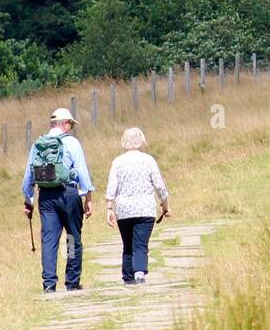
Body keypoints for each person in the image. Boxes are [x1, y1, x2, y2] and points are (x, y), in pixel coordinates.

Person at [22, 108, 95, 292]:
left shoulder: (38, 144)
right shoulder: (72, 143)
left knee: (49, 240)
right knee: (72, 236)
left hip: (46, 196)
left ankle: (49, 284)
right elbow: (82, 172)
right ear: (64, 123)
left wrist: (28, 200)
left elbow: (28, 176)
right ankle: (71, 282)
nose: (70, 127)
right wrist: (88, 196)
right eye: (70, 124)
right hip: (68, 193)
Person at [105, 127, 171, 286]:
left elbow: (112, 186)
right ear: (141, 140)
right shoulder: (148, 160)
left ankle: (128, 276)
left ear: (124, 142)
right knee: (140, 244)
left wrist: (109, 207)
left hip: (124, 209)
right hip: (145, 209)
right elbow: (159, 185)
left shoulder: (118, 162)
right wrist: (165, 205)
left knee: (127, 244)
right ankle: (139, 271)